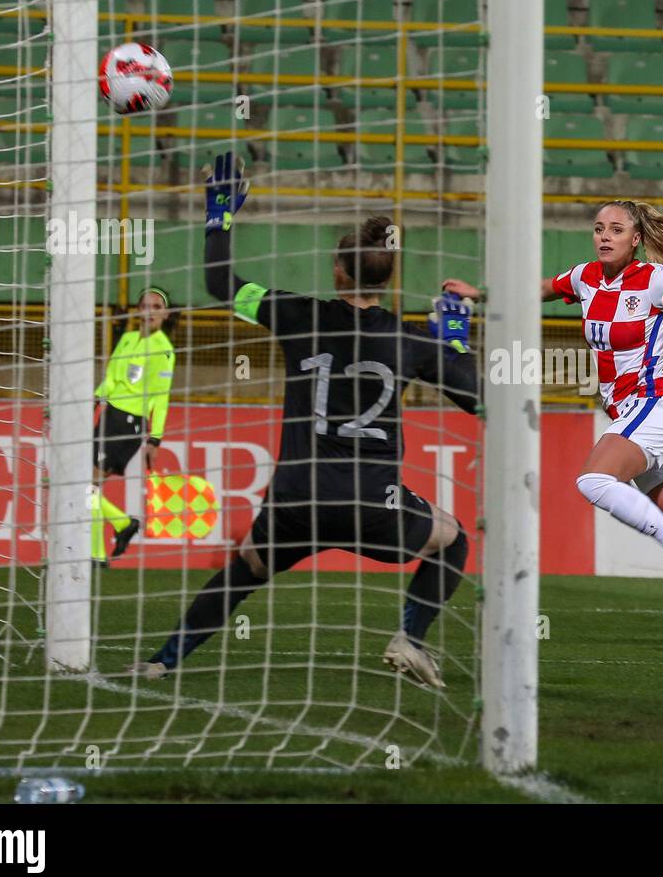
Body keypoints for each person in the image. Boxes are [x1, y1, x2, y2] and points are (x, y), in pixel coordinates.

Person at [131, 152, 479, 688]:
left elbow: (221, 283)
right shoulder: (413, 342)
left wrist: (219, 213)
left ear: (338, 270)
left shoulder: (297, 315)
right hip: (372, 503)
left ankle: (161, 661)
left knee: (243, 571)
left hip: (298, 497)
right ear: (389, 278)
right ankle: (409, 641)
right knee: (452, 538)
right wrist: (455, 339)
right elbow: (476, 397)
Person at [443, 199, 663, 657]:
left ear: (637, 240)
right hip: (636, 416)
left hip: (658, 406)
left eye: (615, 229)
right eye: (598, 228)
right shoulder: (584, 278)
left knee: (593, 480)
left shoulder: (655, 280)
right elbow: (535, 290)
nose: (604, 236)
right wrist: (477, 293)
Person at [92, 286, 175, 566]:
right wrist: (94, 399)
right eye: (145, 306)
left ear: (165, 314)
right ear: (138, 310)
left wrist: (155, 439)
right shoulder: (127, 339)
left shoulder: (163, 350)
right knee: (86, 487)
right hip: (108, 416)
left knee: (86, 486)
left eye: (156, 307)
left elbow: (161, 399)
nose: (149, 312)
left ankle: (113, 535)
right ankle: (108, 540)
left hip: (128, 423)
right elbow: (112, 377)